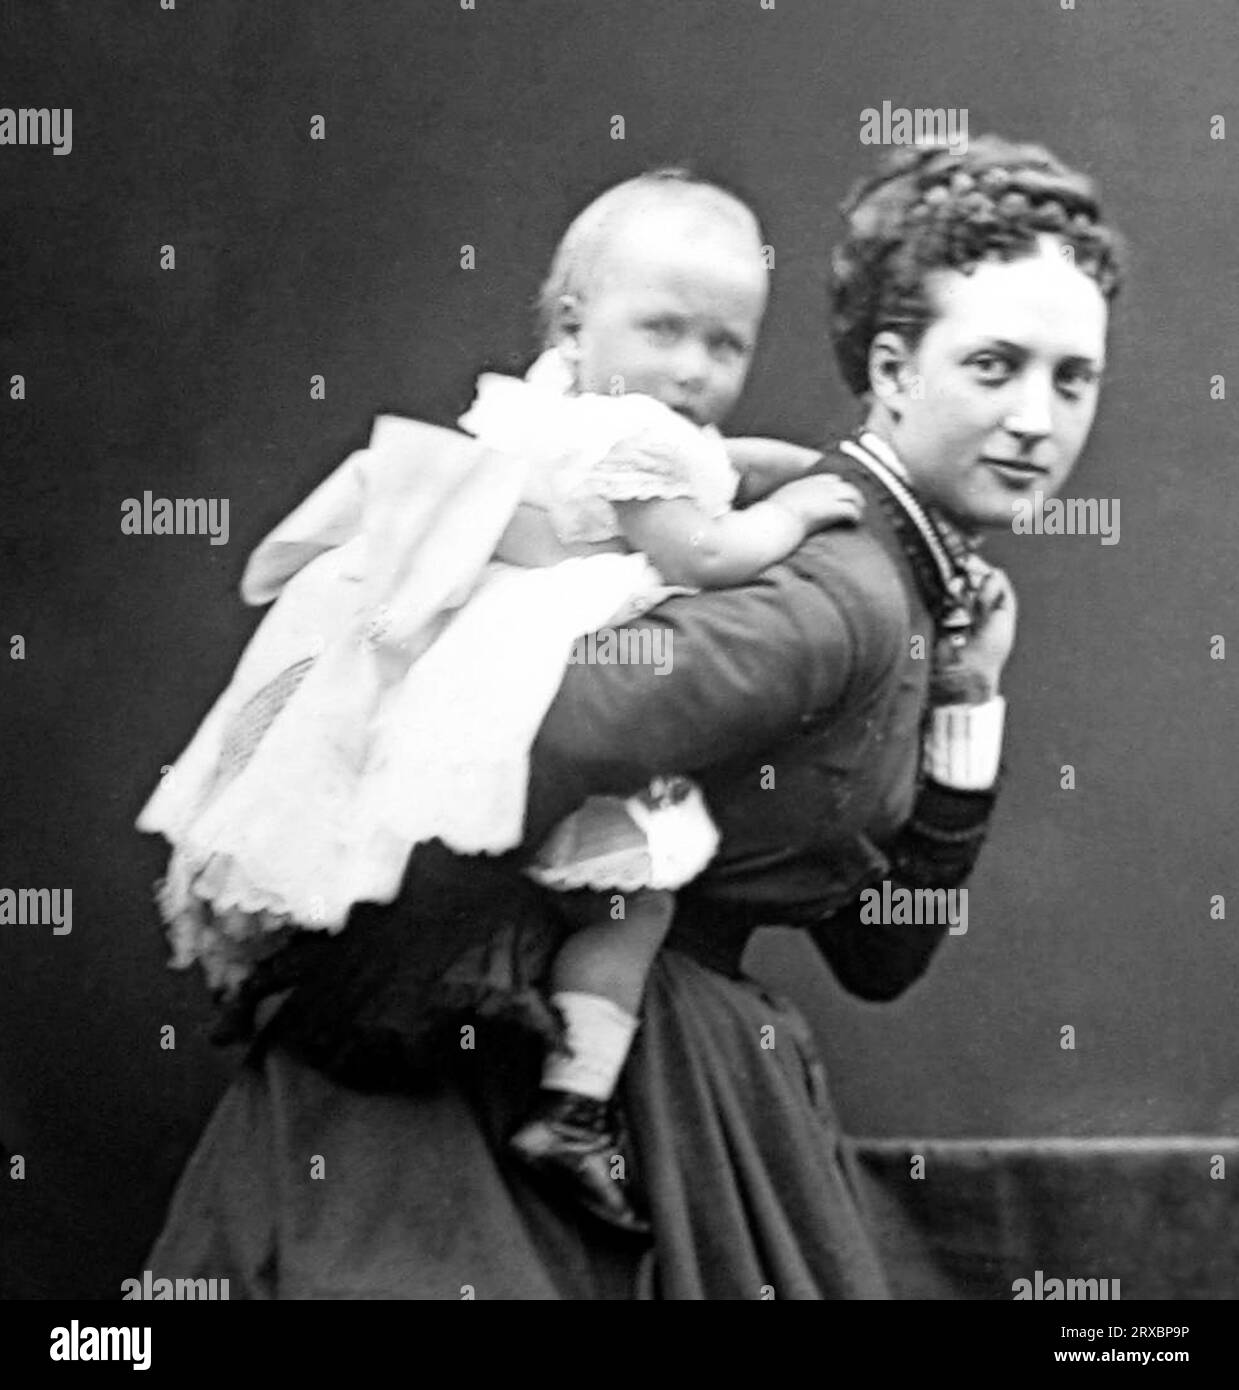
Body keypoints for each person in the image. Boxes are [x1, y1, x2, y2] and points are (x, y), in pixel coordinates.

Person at [145, 134, 1124, 1298]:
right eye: (996, 366)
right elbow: (553, 726)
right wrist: (369, 998)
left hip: (689, 1089)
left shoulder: (894, 582)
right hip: (513, 1086)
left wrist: (968, 701)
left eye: (1073, 379)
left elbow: (880, 947)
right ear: (898, 368)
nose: (1036, 418)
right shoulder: (839, 587)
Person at [136, 170, 865, 1229]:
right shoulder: (641, 442)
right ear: (576, 318)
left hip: (459, 652)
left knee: (456, 861)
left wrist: (764, 463)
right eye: (663, 329)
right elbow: (704, 547)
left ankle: (398, 989)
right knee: (634, 894)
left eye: (726, 345)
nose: (694, 369)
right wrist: (794, 511)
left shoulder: (547, 407)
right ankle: (575, 1101)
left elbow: (699, 465)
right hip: (522, 670)